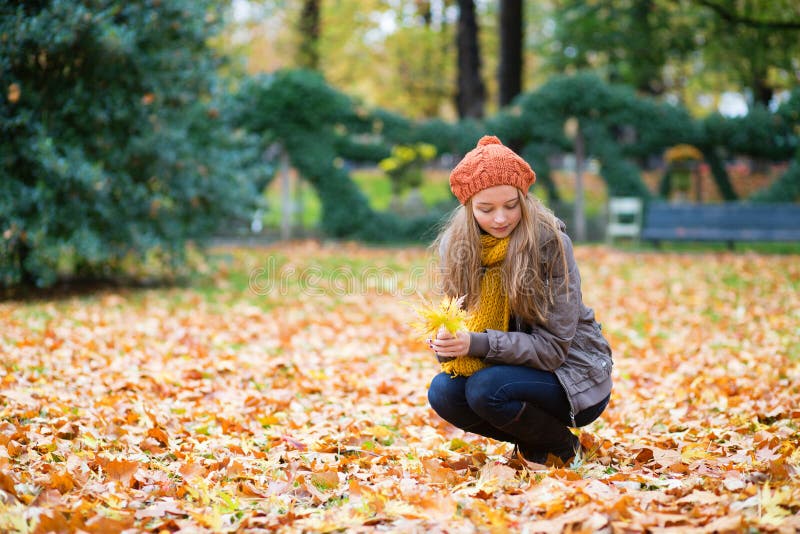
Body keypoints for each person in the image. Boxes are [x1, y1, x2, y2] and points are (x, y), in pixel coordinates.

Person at [426, 135, 613, 465]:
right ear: (468, 208)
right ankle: (536, 443)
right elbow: (458, 323)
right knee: (443, 392)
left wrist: (477, 343)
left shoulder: (550, 244)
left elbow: (554, 348)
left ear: (524, 200)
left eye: (511, 206)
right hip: (504, 372)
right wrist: (449, 343)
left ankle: (562, 446)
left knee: (486, 388)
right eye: (486, 209)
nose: (501, 218)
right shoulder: (456, 250)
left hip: (573, 375)